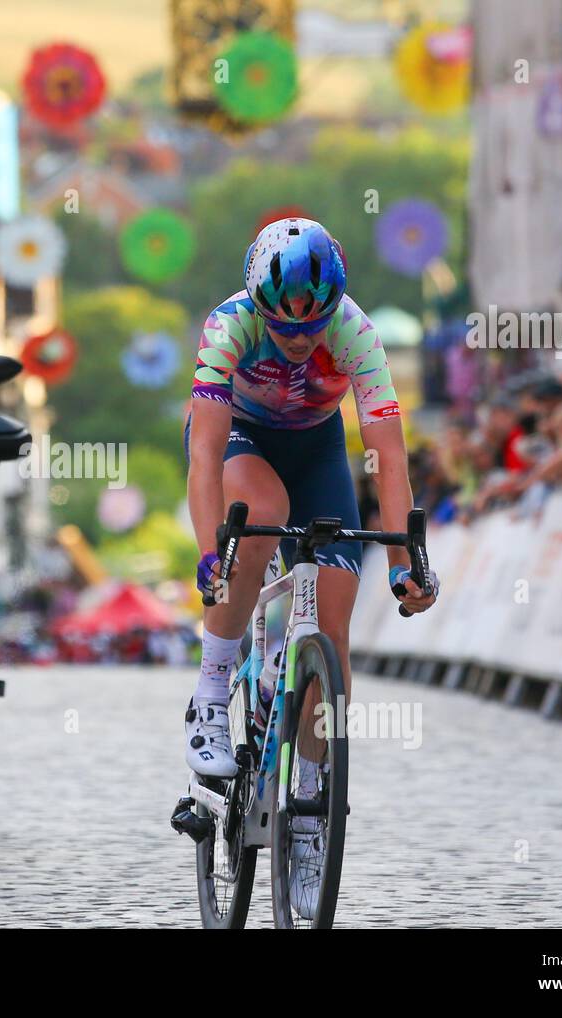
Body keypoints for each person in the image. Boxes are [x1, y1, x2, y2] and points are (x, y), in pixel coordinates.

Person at [184, 217, 437, 916]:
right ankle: (209, 693)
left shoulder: (356, 333)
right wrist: (213, 552)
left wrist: (403, 558)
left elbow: (387, 454)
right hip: (241, 439)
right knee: (259, 512)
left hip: (318, 450)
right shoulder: (229, 326)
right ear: (258, 305)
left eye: (311, 324)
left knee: (333, 629)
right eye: (283, 325)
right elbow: (205, 456)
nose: (297, 337)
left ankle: (306, 816)